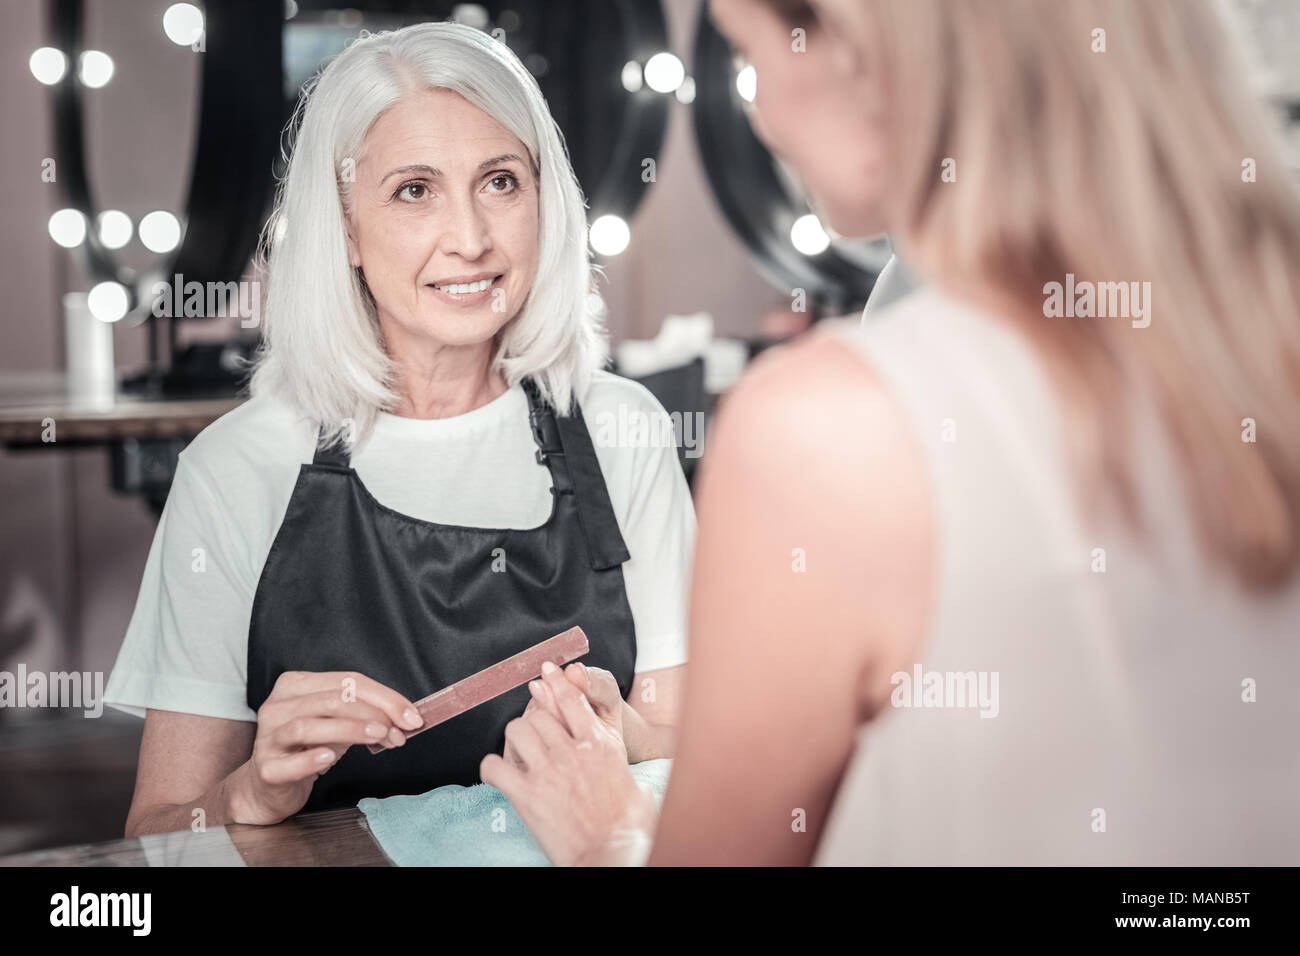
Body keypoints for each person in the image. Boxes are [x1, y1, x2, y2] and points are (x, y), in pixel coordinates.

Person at [483, 0, 1300, 865]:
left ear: (861, 48)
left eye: (755, 55)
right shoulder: (1258, 348)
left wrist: (608, 834)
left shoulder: (827, 428)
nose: (758, 112)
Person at [103, 22, 694, 834]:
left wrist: (626, 738)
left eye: (500, 182)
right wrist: (249, 795)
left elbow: (693, 767)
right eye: (414, 191)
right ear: (344, 227)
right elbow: (157, 835)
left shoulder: (624, 432)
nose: (472, 239)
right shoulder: (238, 468)